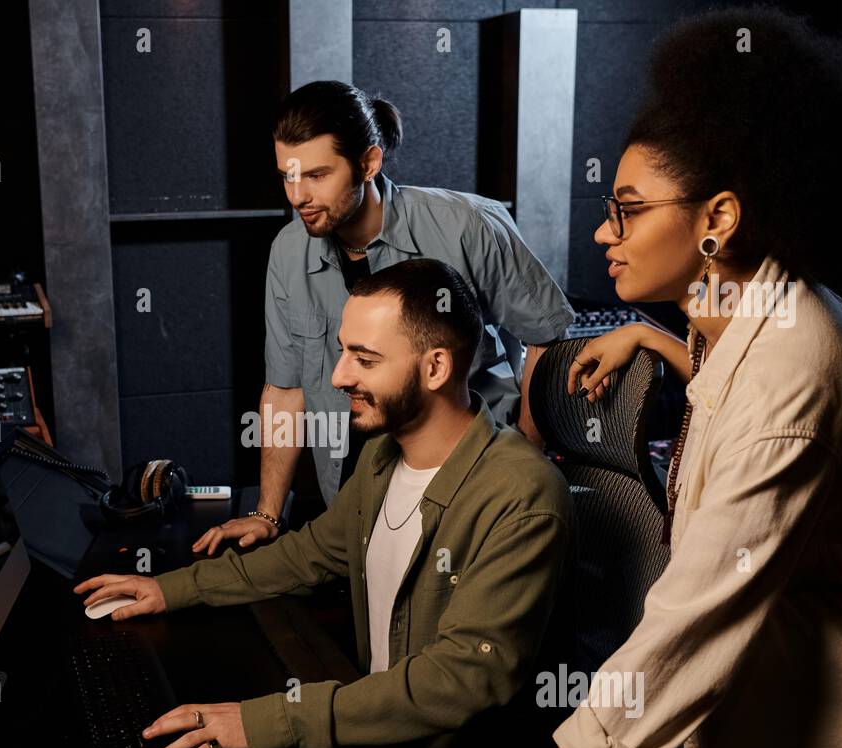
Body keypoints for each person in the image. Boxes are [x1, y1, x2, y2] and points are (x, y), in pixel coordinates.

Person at [401, 7, 842, 748]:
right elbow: (744, 408)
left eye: (626, 211)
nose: (602, 235)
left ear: (717, 220)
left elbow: (689, 617)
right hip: (790, 688)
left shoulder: (793, 367)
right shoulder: (744, 313)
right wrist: (657, 342)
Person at [75, 259, 572, 748]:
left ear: (436, 368)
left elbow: (461, 679)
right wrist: (171, 588)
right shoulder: (382, 457)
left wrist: (267, 720)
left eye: (365, 359)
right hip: (372, 736)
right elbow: (306, 555)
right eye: (342, 351)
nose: (338, 377)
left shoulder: (521, 495)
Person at [192, 80, 574, 557]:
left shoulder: (469, 225)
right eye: (287, 176)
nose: (297, 196)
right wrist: (269, 513)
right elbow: (286, 389)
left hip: (472, 487)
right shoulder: (288, 253)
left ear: (369, 163)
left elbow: (548, 337)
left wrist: (524, 457)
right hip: (355, 500)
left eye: (316, 175)